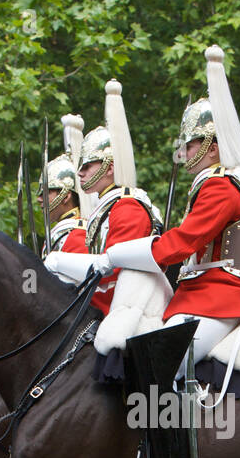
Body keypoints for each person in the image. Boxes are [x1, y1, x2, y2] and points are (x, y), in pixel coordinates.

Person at [79, 47, 240, 458]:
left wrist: (119, 254)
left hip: (221, 296)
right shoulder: (219, 185)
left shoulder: (222, 186)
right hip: (202, 293)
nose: (181, 153)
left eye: (188, 144)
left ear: (209, 143)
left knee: (163, 362)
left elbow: (178, 246)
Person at [44, 82, 161, 314]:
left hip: (124, 307)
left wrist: (57, 263)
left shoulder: (128, 207)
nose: (80, 173)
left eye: (87, 166)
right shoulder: (108, 208)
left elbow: (114, 276)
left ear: (109, 168)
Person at [40, 115, 90, 257]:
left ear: (66, 196)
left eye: (47, 192)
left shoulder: (77, 234)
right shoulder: (61, 231)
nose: (39, 199)